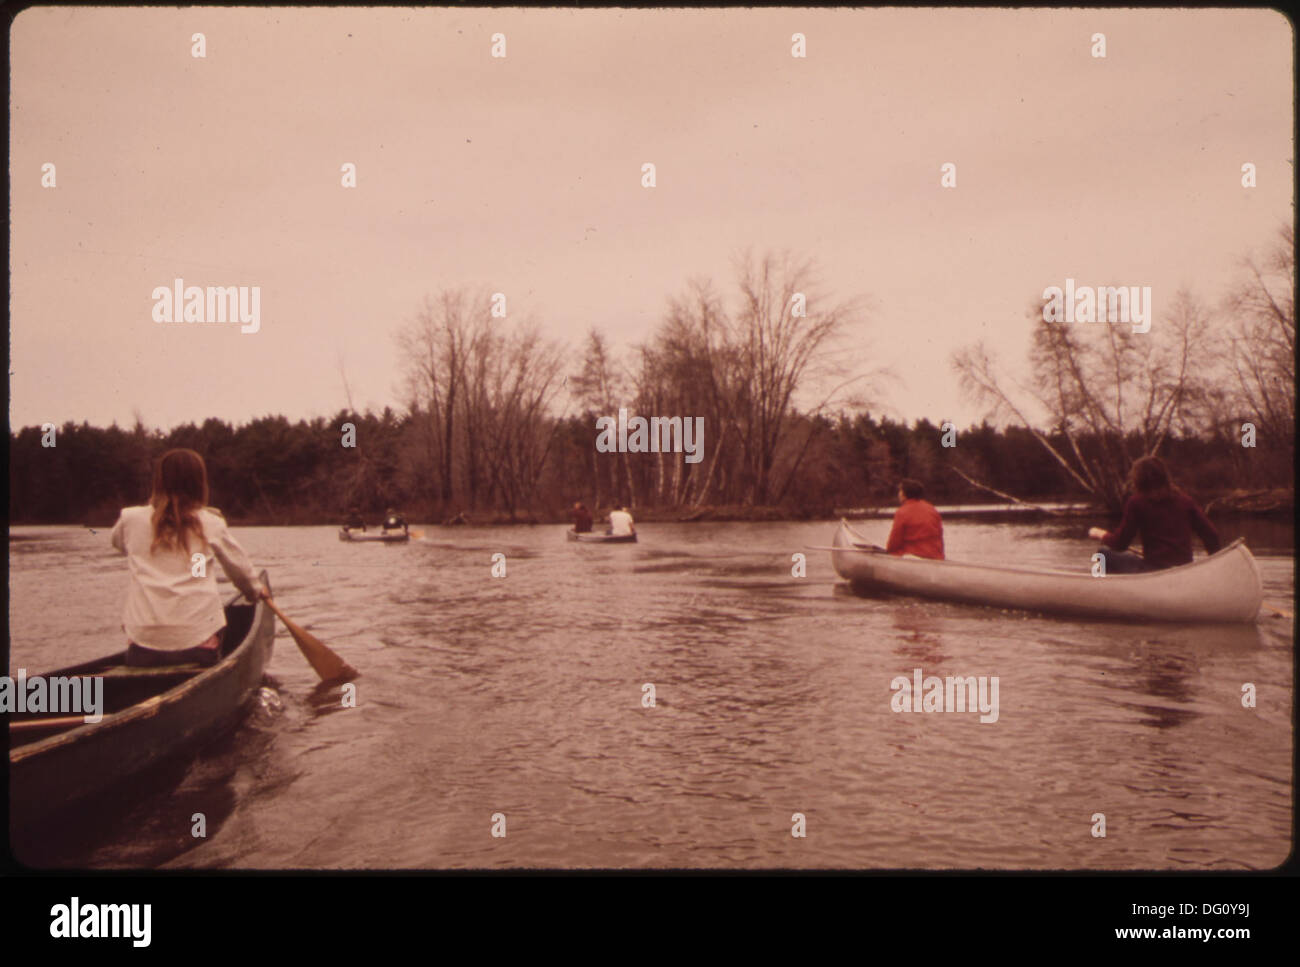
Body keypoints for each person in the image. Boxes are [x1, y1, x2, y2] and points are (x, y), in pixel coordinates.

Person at [110, 448, 267, 668]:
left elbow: (118, 543)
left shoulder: (131, 519)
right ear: (199, 484)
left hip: (143, 649)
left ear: (159, 482)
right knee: (198, 570)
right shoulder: (211, 522)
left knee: (197, 568)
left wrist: (153, 545)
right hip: (197, 646)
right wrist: (256, 591)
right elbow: (241, 573)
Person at [1089, 456, 1221, 573]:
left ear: (1139, 481)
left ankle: (1109, 592)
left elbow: (1120, 544)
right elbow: (1212, 536)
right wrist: (1212, 569)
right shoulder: (1185, 501)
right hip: (1183, 570)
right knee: (1130, 558)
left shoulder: (1137, 502)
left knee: (1103, 553)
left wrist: (1100, 534)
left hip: (1153, 570)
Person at [886, 479, 944, 559]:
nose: (899, 494)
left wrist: (889, 552)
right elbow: (939, 535)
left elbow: (894, 542)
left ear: (904, 494)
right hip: (936, 556)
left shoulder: (902, 512)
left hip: (915, 556)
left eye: (900, 491)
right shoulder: (932, 509)